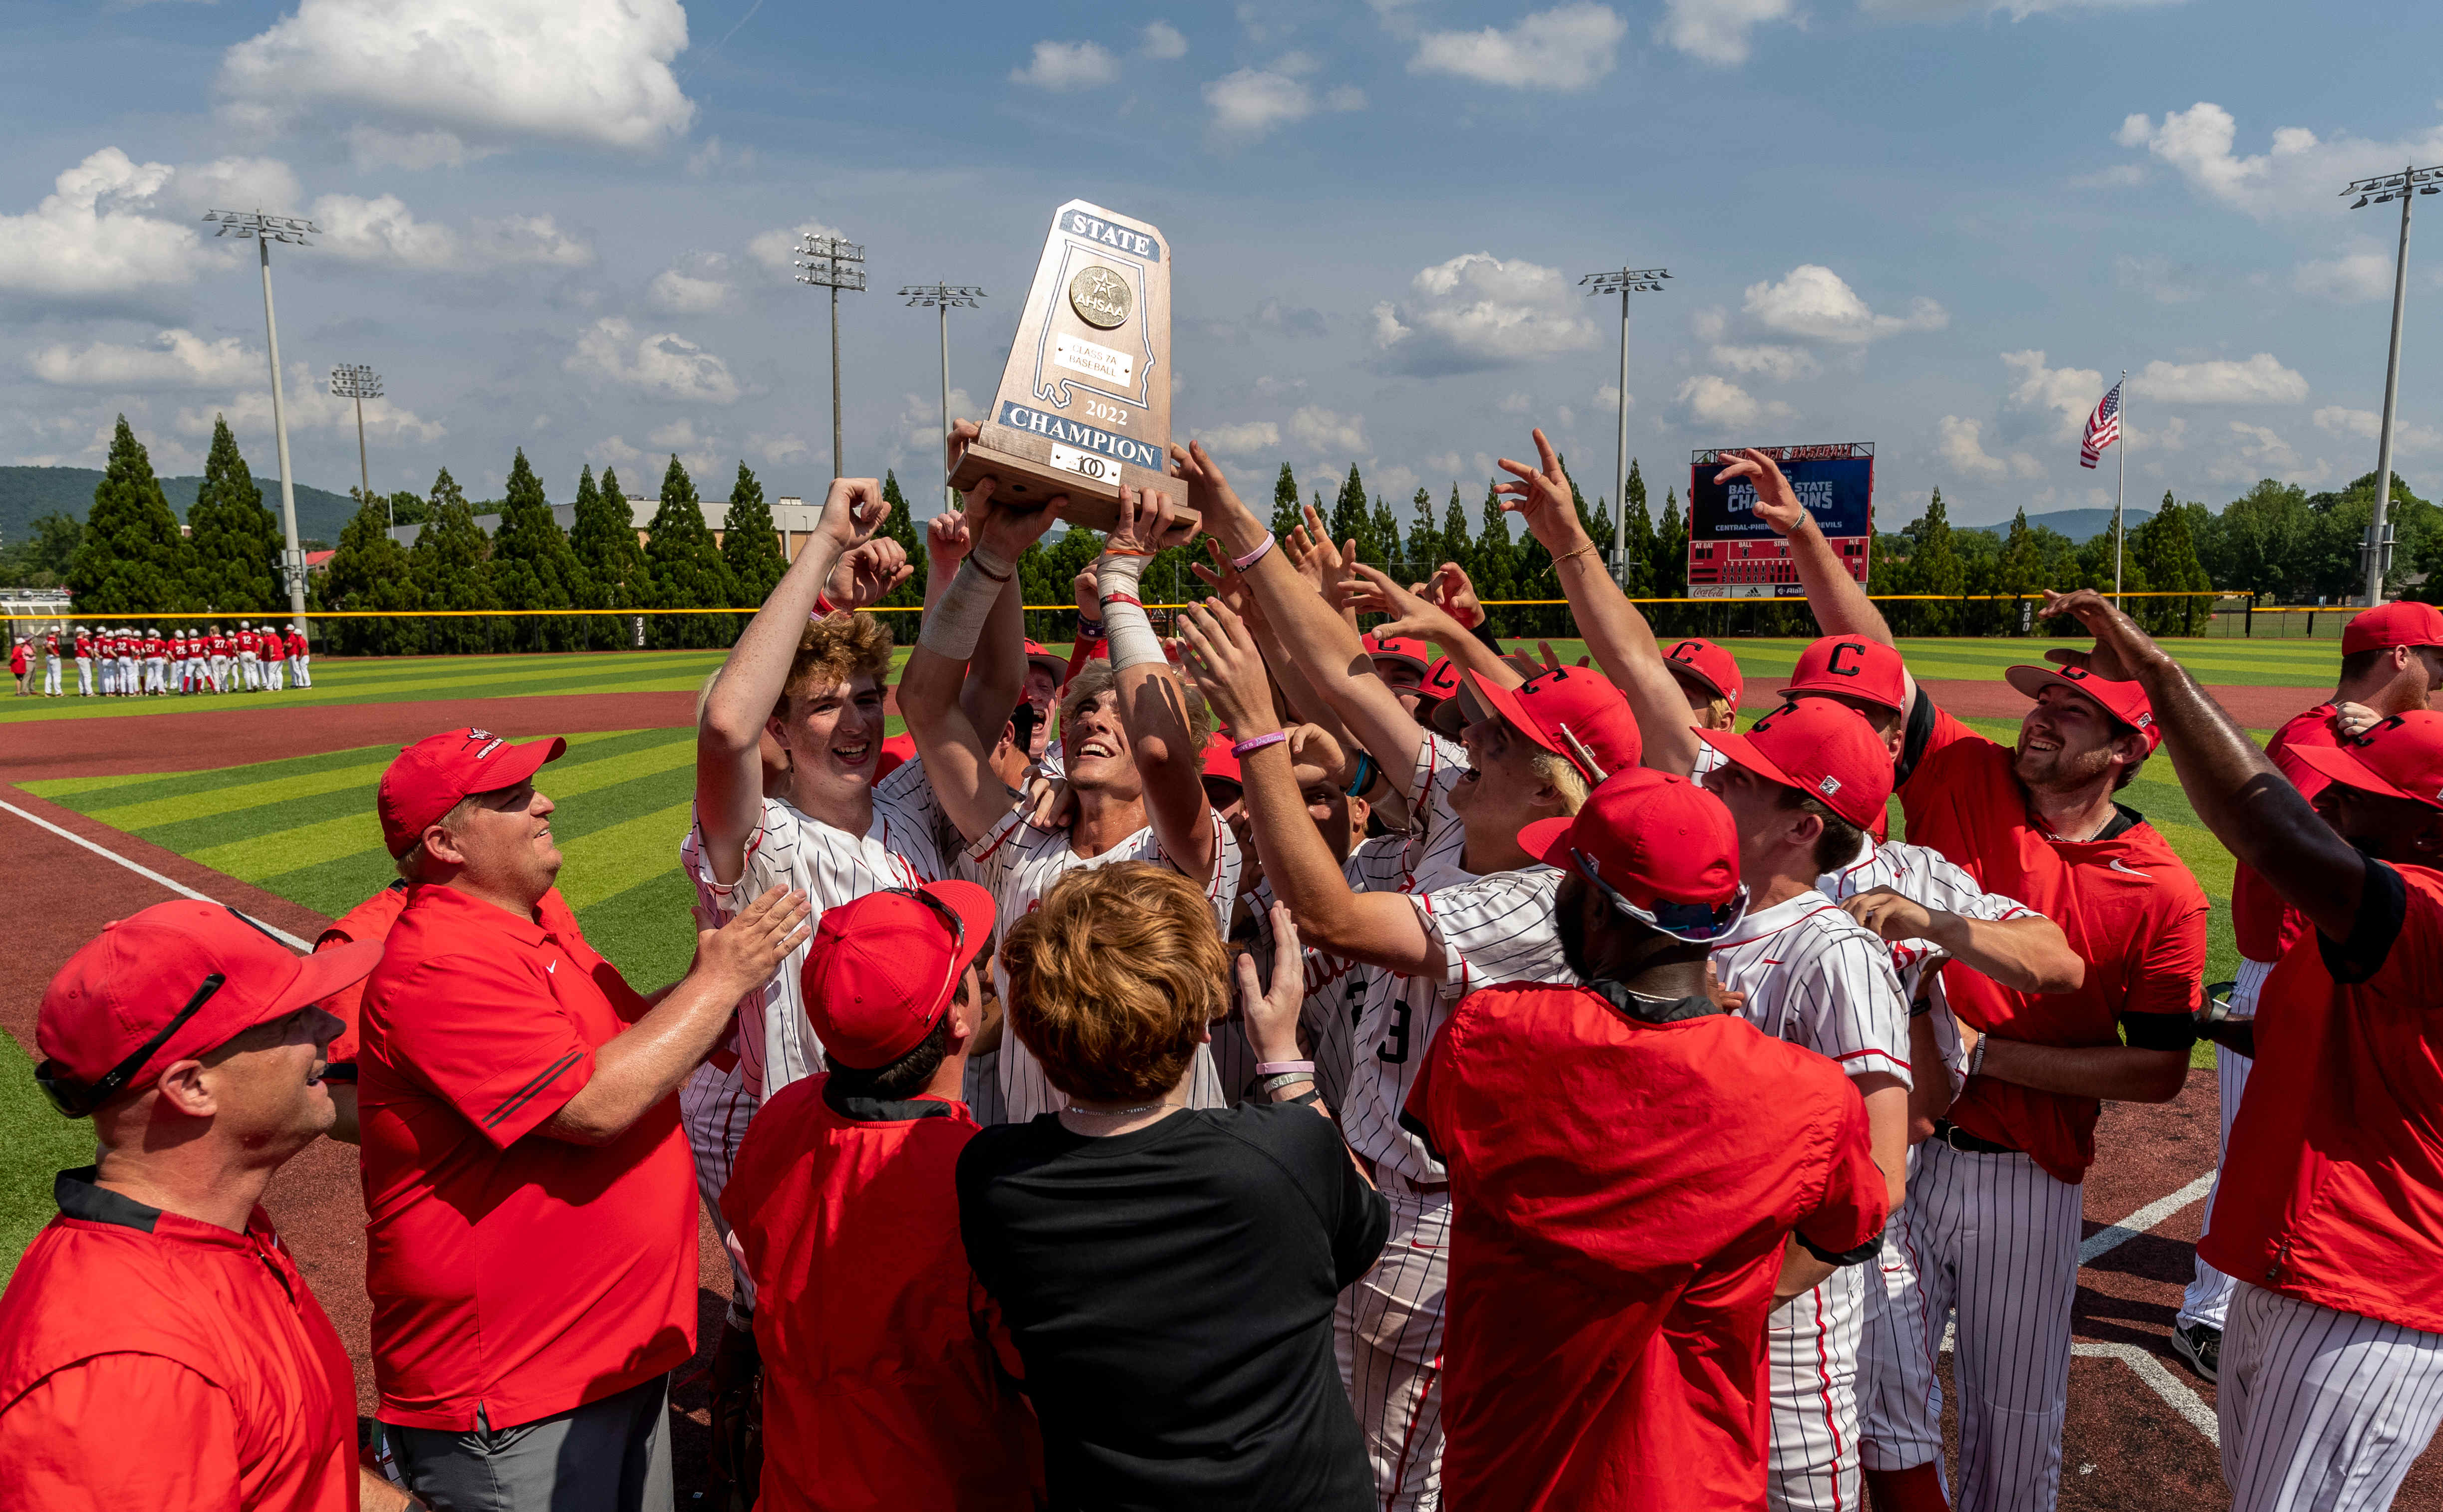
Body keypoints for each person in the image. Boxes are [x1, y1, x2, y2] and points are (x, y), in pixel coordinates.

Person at [1168, 446, 1633, 1512]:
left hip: (1433, 1219)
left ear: (1558, 791)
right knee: (1350, 1453)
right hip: (1377, 1187)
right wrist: (1234, 517)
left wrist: (1251, 731)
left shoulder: (1541, 905)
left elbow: (1330, 911)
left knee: (1383, 1479)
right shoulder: (1475, 816)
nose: (1466, 735)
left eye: (1501, 739)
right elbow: (1340, 675)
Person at [2043, 588, 2443, 1512]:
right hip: (2296, 1274)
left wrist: (2157, 671)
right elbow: (2341, 1031)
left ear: (2429, 829)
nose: (2335, 802)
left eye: (2363, 798)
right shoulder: (2383, 924)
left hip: (2364, 1303)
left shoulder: (2422, 914)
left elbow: (2268, 829)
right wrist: (2198, 1028)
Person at [1405, 769, 1891, 1511]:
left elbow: (1447, 1144)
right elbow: (1845, 1230)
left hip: (1503, 1467)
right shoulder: (1808, 1096)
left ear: (1596, 906)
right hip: (1691, 1475)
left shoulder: (1489, 1029)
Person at [356, 726, 811, 1510]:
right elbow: (591, 1105)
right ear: (444, 841)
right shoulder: (440, 961)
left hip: (605, 1356)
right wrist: (723, 977)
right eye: (508, 797)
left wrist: (732, 989)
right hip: (519, 1385)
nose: (545, 802)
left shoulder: (530, 924)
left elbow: (640, 1041)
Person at [958, 862, 1389, 1509]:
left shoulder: (994, 1177)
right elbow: (1367, 1229)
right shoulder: (1286, 1151)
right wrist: (1284, 1062)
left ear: (1034, 1029)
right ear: (1198, 1027)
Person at [0, 899, 421, 1511]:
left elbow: (293, 1464)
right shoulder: (125, 1369)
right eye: (294, 1018)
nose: (330, 1030)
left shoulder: (224, 1230)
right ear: (192, 1087)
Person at [903, 448, 1240, 1121]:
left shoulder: (1188, 854)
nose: (1095, 717)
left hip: (1168, 1167)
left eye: (1120, 704)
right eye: (1086, 705)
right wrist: (992, 556)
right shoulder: (1023, 838)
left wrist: (1120, 583)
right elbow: (925, 703)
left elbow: (1161, 753)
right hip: (1038, 1166)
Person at [2174, 597, 2443, 1383]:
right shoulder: (2309, 738)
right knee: (2260, 1144)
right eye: (2436, 660)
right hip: (2300, 962)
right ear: (2400, 658)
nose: (2439, 679)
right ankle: (2208, 1311)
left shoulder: (2366, 736)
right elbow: (2279, 838)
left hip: (2357, 964)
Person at [722, 881, 1043, 1512]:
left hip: (795, 1486)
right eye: (971, 969)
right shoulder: (980, 1179)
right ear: (957, 1018)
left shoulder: (783, 1115)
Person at [1683, 698, 1912, 1511]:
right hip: (1703, 1298)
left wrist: (1757, 1292)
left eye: (1744, 777)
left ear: (1803, 827)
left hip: (1788, 1332)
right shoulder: (1712, 924)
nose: (1717, 776)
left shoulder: (1835, 953)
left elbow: (1882, 1179)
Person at [289, 622, 312, 688]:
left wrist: (300, 656)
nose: (294, 635)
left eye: (295, 635)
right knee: (304, 670)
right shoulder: (300, 639)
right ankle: (307, 684)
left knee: (304, 670)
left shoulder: (301, 640)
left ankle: (308, 684)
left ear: (298, 635)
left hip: (304, 657)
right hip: (305, 656)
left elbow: (303, 649)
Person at [72, 624, 92, 696]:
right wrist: (92, 657)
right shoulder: (83, 641)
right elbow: (90, 651)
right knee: (88, 676)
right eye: (83, 632)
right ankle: (89, 692)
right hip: (83, 658)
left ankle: (82, 692)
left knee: (81, 676)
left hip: (78, 658)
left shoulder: (76, 641)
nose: (85, 633)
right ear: (81, 632)